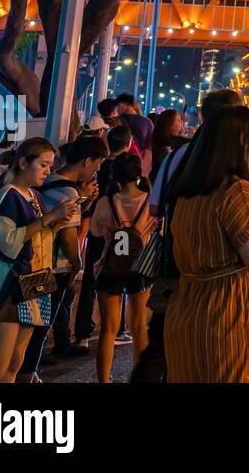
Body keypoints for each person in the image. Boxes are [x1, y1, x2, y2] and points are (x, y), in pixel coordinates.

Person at [164, 105, 249, 382]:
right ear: (241, 140)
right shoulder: (236, 189)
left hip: (187, 311)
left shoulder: (188, 192)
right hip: (226, 315)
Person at [0, 138, 80, 383]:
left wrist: (56, 225)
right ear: (23, 163)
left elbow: (37, 241)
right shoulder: (7, 196)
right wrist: (49, 219)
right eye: (43, 164)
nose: (48, 171)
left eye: (51, 165)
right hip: (9, 285)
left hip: (36, 282)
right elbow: (9, 245)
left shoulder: (36, 197)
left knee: (15, 362)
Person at [20, 135, 105, 378]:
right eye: (97, 165)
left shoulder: (52, 182)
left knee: (31, 322)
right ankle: (28, 373)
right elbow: (69, 237)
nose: (96, 172)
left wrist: (85, 202)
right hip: (55, 268)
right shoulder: (68, 191)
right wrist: (77, 265)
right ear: (87, 161)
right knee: (41, 323)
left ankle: (24, 369)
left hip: (36, 262)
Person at [90, 152, 155, 382]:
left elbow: (96, 233)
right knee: (139, 327)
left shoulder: (105, 203)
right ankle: (141, 378)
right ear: (139, 174)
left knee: (108, 329)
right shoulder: (150, 202)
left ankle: (104, 380)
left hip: (110, 268)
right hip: (141, 267)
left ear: (114, 175)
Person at [76, 124, 138, 345]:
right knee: (119, 277)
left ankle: (82, 332)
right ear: (129, 143)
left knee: (91, 281)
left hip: (97, 229)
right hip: (121, 234)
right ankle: (119, 328)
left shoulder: (98, 167)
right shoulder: (129, 168)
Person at [114, 94, 154, 174]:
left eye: (117, 107)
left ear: (121, 105)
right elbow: (149, 147)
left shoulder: (117, 121)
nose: (117, 111)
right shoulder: (148, 122)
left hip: (120, 163)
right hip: (139, 164)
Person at [149, 108, 188, 175]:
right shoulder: (181, 143)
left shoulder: (154, 140)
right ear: (169, 124)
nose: (181, 122)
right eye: (178, 120)